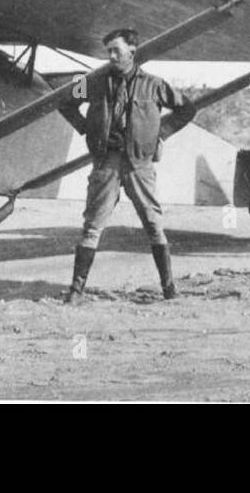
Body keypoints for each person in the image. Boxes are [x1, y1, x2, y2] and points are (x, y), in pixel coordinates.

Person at [58, 27, 196, 303]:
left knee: (154, 224)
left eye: (115, 51)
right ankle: (75, 291)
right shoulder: (94, 82)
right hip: (106, 162)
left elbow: (187, 109)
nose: (110, 56)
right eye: (108, 51)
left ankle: (169, 289)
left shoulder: (154, 85)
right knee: (92, 226)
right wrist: (85, 128)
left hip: (139, 165)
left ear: (132, 52)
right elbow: (65, 101)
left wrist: (161, 134)